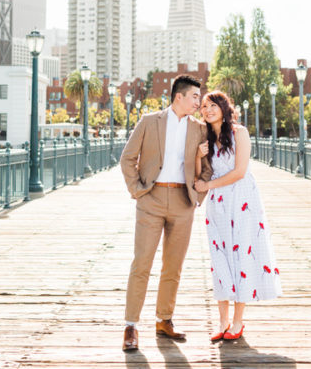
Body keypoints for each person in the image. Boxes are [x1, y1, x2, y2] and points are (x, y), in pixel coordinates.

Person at [119, 75, 213, 352]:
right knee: (142, 264)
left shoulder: (199, 129)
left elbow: (207, 169)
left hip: (183, 202)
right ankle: (130, 325)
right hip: (152, 198)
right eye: (195, 97)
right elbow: (127, 158)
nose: (199, 102)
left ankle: (164, 320)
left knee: (173, 266)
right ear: (179, 97)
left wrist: (198, 195)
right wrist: (137, 190)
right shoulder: (150, 121)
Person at [195, 90, 282, 342]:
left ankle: (238, 321)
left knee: (241, 253)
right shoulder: (205, 136)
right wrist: (198, 156)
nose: (208, 110)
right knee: (219, 256)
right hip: (217, 203)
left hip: (242, 199)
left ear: (223, 107)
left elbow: (240, 171)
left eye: (212, 105)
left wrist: (208, 186)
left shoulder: (239, 133)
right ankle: (222, 321)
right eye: (203, 106)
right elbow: (201, 175)